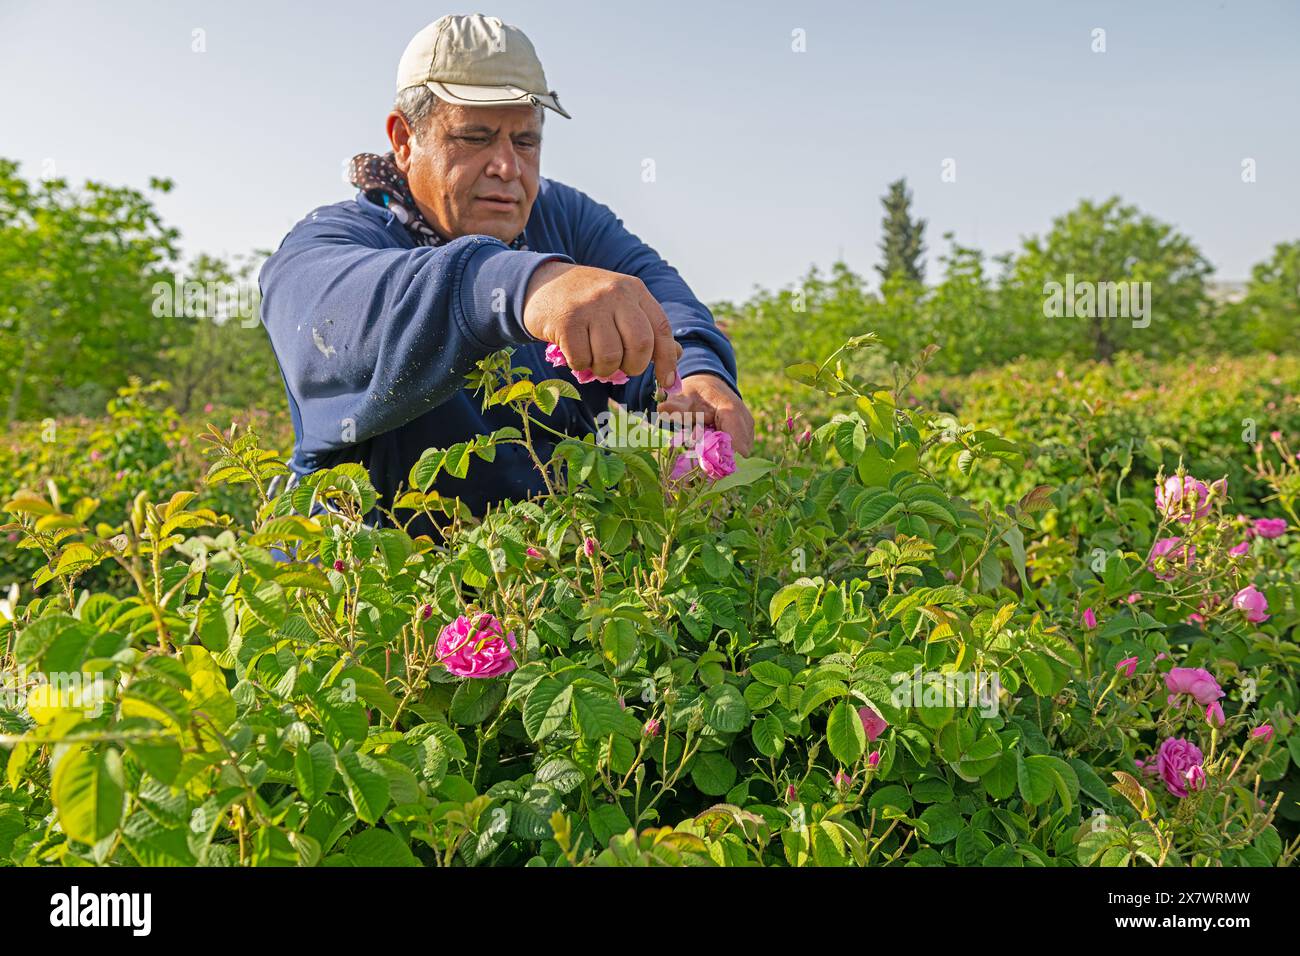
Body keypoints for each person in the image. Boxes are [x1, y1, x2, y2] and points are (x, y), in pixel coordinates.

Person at [258, 14, 753, 539]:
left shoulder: (561, 219)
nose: (507, 168)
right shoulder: (331, 243)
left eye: (525, 142)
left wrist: (698, 373)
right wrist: (528, 287)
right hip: (383, 595)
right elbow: (329, 320)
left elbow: (655, 289)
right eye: (474, 136)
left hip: (558, 573)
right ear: (404, 140)